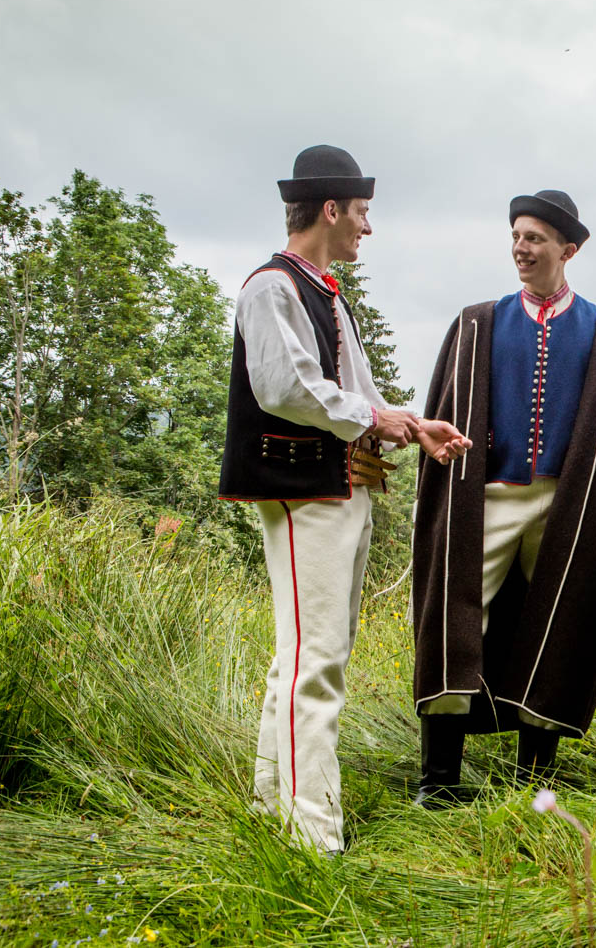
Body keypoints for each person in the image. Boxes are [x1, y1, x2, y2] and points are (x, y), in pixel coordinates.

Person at [219, 144, 469, 854]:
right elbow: (286, 388)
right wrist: (375, 419)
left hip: (339, 487)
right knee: (317, 661)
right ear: (329, 209)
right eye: (361, 212)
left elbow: (357, 396)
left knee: (302, 655)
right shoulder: (272, 288)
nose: (368, 226)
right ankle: (313, 837)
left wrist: (413, 425)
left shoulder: (323, 292)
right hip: (305, 490)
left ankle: (272, 807)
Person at [410, 190, 596, 803]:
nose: (521, 248)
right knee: (453, 615)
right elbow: (447, 406)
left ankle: (533, 783)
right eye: (517, 236)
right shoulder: (478, 322)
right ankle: (439, 782)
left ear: (568, 250)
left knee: (559, 622)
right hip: (489, 496)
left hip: (568, 505)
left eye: (535, 238)